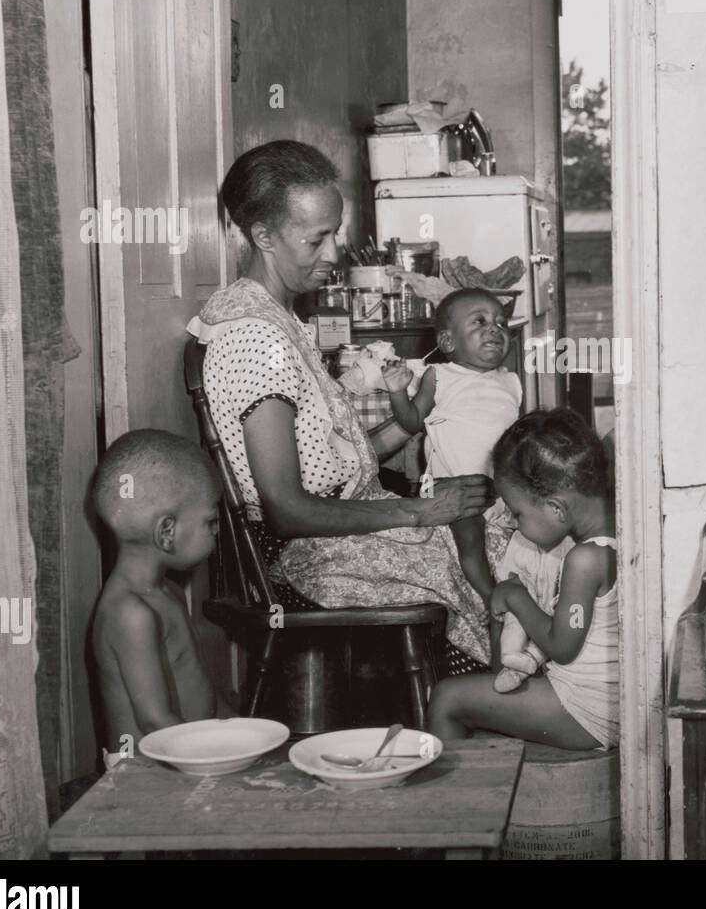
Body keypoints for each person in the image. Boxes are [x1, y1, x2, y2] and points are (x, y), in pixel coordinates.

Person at [188, 141, 504, 670]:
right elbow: (289, 510)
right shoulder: (251, 338)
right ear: (263, 236)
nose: (333, 254)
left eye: (335, 232)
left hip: (343, 524)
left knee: (499, 533)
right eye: (316, 239)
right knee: (487, 561)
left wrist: (413, 423)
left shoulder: (279, 317)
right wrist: (422, 509)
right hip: (307, 556)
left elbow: (332, 458)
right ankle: (491, 701)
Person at [429, 410, 618, 751]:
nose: (516, 525)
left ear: (557, 508)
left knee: (446, 698)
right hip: (599, 698)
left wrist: (515, 596)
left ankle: (455, 802)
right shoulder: (614, 534)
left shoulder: (584, 559)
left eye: (518, 513)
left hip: (586, 708)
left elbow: (561, 648)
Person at [89, 430, 231, 759]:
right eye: (210, 521)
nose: (217, 530)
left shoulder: (168, 593)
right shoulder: (130, 613)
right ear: (167, 532)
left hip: (180, 752)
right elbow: (154, 720)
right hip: (142, 773)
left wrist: (245, 734)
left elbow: (200, 688)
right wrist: (213, 762)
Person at [384, 288, 522, 604]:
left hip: (499, 488)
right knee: (470, 541)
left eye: (502, 323)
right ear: (448, 342)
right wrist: (397, 392)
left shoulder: (511, 382)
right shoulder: (440, 376)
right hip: (445, 488)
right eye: (480, 321)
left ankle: (522, 594)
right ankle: (491, 598)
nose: (495, 329)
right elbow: (411, 422)